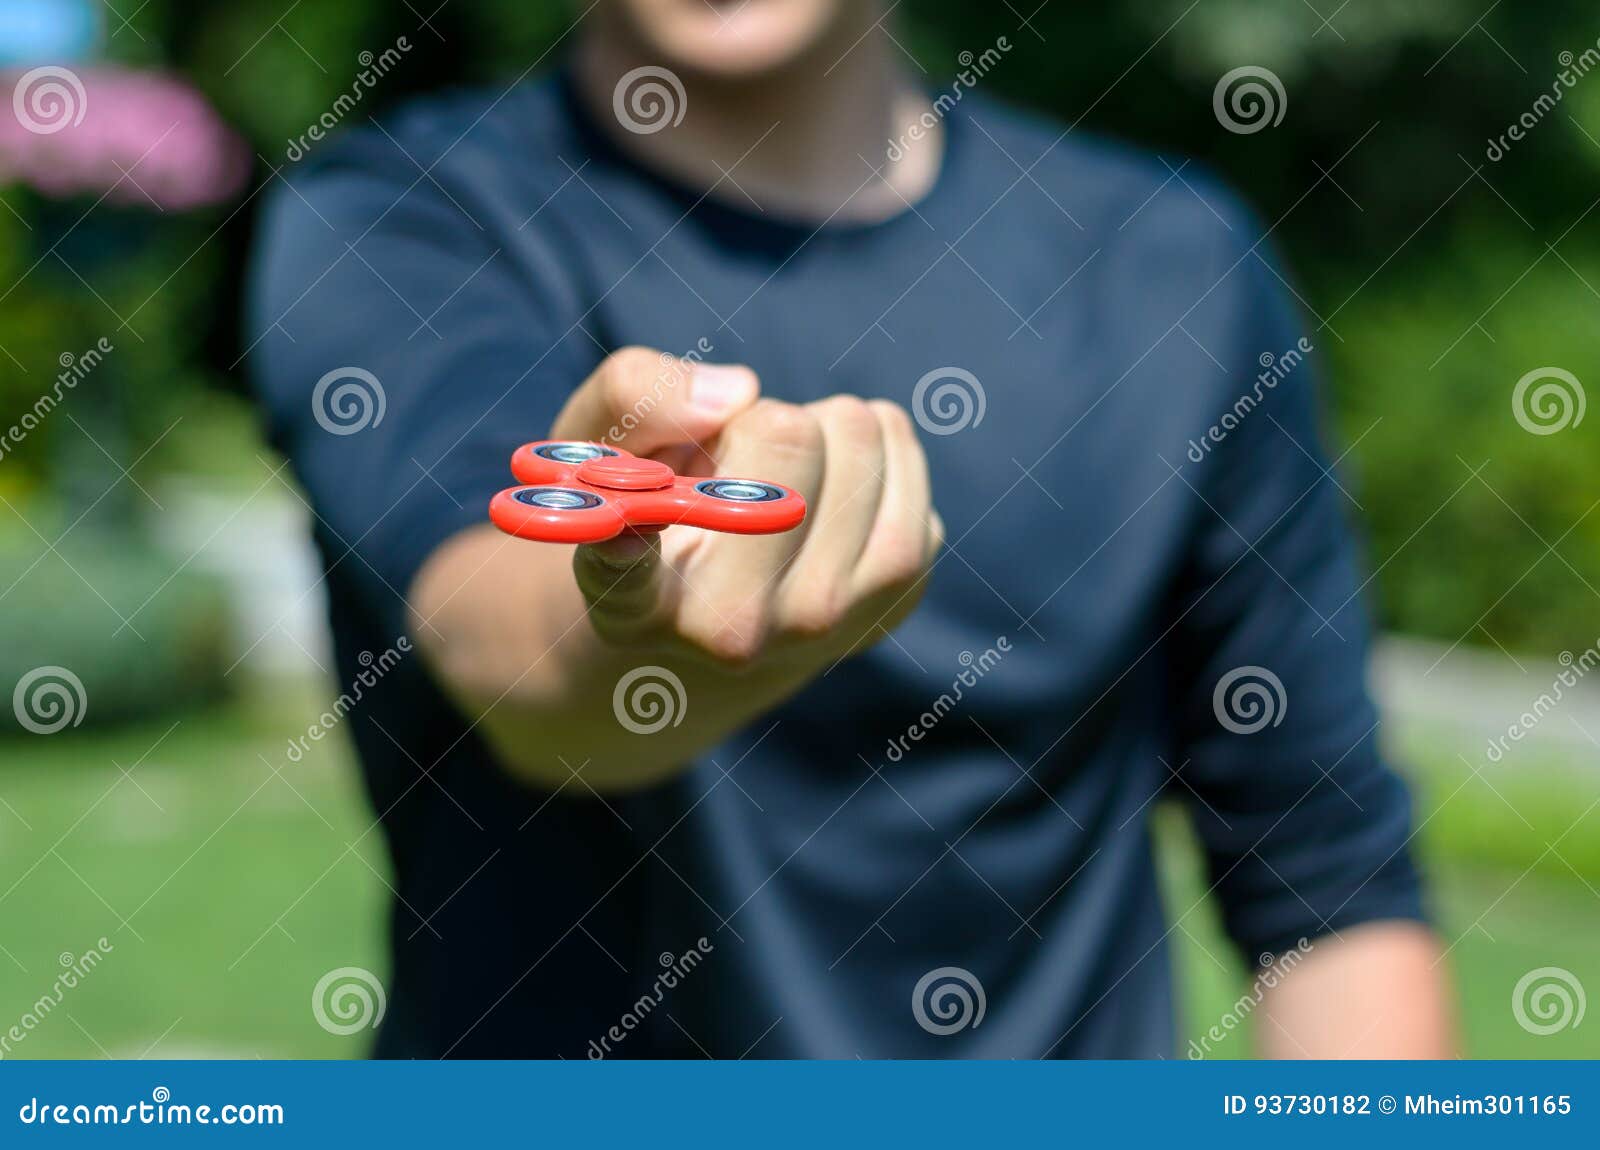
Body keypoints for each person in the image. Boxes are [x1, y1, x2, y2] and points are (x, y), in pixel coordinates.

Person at [248, 0, 1454, 1058]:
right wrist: (649, 624)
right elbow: (509, 653)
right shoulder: (399, 220)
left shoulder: (1171, 267)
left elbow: (1325, 876)